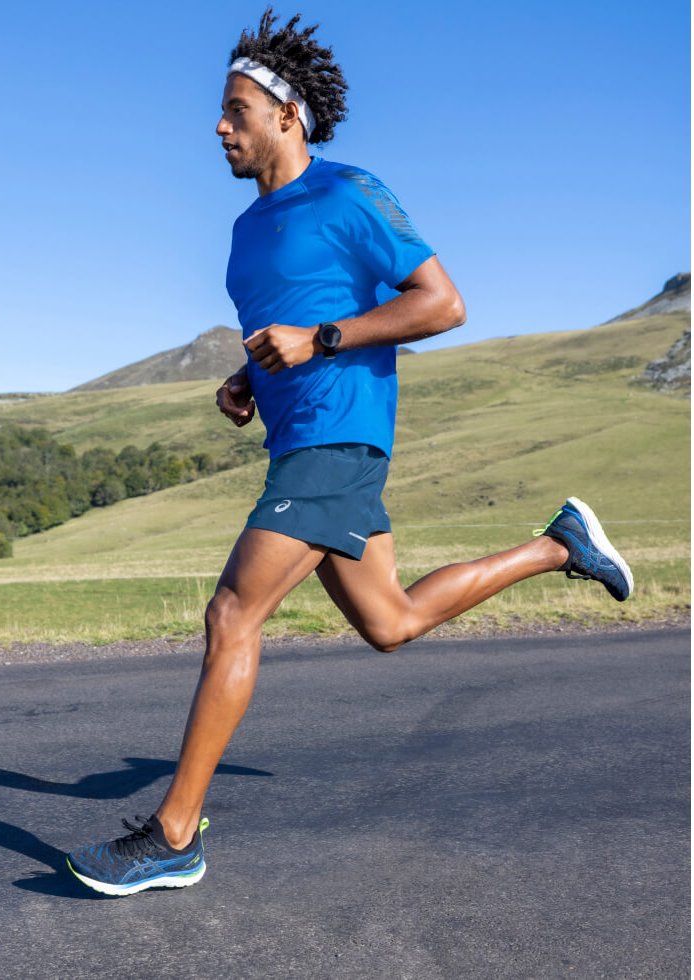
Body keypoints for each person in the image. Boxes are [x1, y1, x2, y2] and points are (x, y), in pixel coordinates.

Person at [67, 9, 633, 897]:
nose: (219, 127)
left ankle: (175, 836)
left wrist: (323, 341)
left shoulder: (350, 193)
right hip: (299, 437)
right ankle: (561, 543)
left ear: (286, 116)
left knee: (231, 616)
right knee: (391, 623)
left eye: (235, 110)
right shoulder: (246, 231)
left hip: (340, 439)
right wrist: (249, 377)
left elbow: (442, 304)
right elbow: (285, 321)